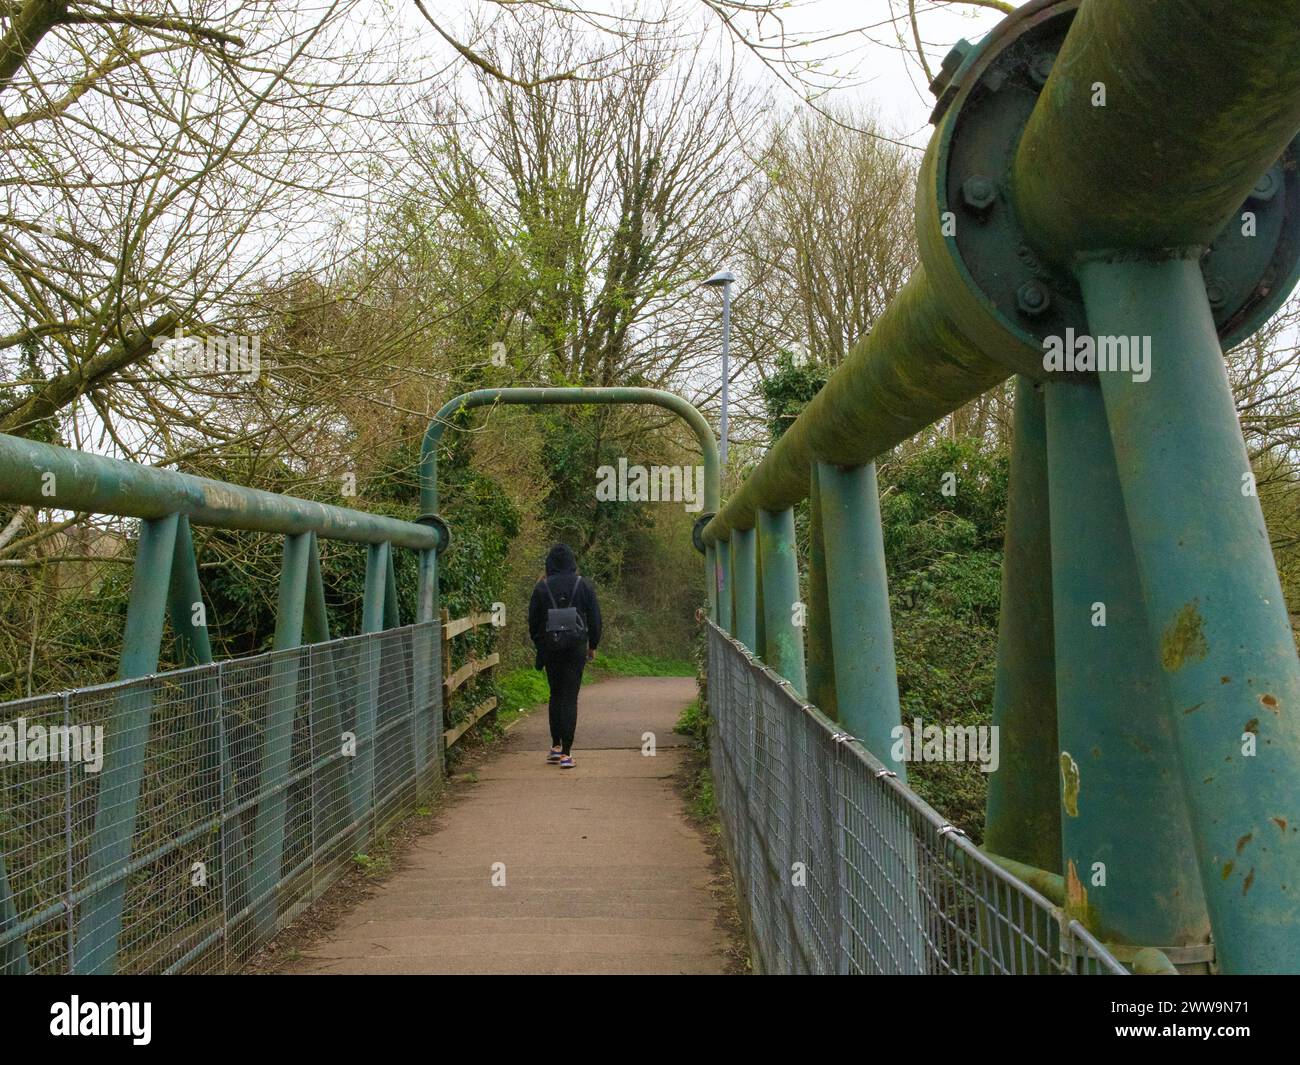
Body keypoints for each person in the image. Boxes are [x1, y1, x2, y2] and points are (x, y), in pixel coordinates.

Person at [528, 543, 601, 769]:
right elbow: (596, 618)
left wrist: (541, 643)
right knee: (570, 696)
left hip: (551, 648)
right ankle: (567, 754)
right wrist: (592, 645)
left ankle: (555, 745)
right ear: (572, 562)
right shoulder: (583, 585)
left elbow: (533, 622)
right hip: (575, 648)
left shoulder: (541, 587)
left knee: (556, 693)